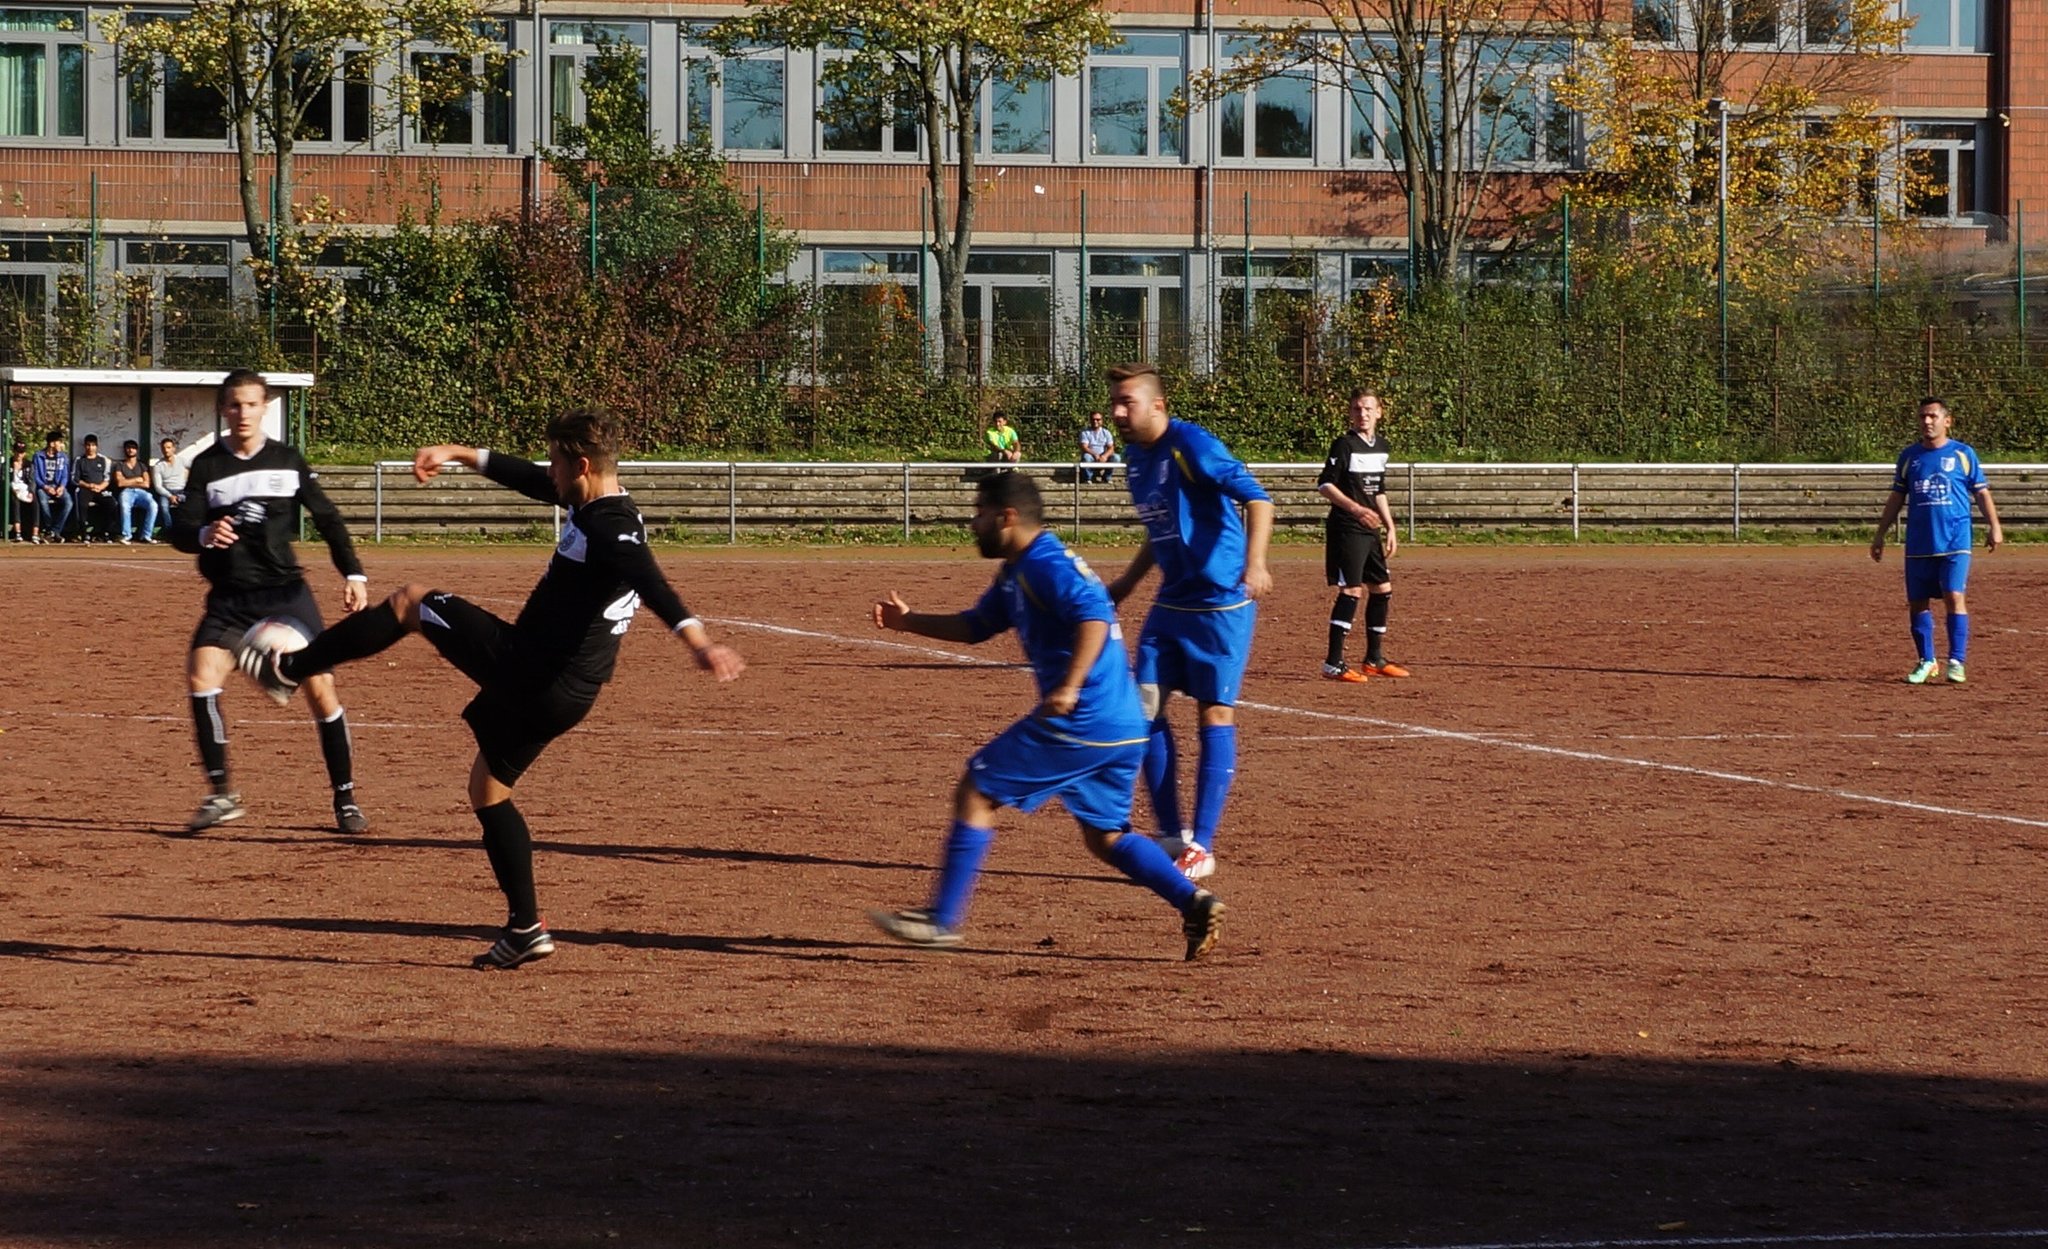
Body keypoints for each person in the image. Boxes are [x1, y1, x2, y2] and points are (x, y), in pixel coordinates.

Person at [238, 407, 746, 970]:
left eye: (555, 462)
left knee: (411, 601)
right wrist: (457, 452)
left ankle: (290, 667)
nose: (546, 471)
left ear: (580, 465)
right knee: (488, 790)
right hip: (568, 692)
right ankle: (526, 928)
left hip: (533, 671)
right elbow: (527, 479)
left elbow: (652, 581)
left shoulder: (609, 526)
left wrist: (698, 643)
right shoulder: (592, 499)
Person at [868, 472, 1224, 960]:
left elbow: (1095, 617)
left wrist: (1070, 685)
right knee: (1106, 837)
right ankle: (1194, 901)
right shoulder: (1020, 568)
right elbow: (977, 626)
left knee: (976, 789)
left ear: (1006, 517)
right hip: (1123, 725)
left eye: (979, 514)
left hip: (1084, 716)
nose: (973, 523)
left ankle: (941, 920)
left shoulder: (1045, 565)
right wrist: (910, 622)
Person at [170, 369, 373, 835]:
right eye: (234, 405)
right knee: (201, 676)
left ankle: (345, 798)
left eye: (251, 404)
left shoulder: (287, 460)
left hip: (286, 595)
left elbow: (328, 519)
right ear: (223, 410)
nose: (243, 413)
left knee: (321, 690)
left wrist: (354, 573)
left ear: (265, 408)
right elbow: (179, 529)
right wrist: (203, 532)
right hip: (230, 598)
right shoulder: (207, 466)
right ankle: (221, 794)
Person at [1103, 362, 1273, 883]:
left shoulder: (1192, 445)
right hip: (1172, 603)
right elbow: (1158, 531)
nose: (1116, 412)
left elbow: (1259, 499)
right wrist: (1127, 586)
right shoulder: (1135, 456)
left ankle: (1203, 844)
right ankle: (1171, 834)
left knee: (1213, 717)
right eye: (1114, 401)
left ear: (1157, 405)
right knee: (1144, 713)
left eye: (1125, 402)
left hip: (1221, 606)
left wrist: (1257, 562)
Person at [1870, 395, 2003, 684]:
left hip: (1955, 540)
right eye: (1923, 417)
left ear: (1947, 421)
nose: (1927, 421)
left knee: (1954, 595)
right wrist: (1880, 534)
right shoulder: (1910, 457)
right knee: (1918, 602)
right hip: (1919, 543)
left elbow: (1981, 492)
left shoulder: (1963, 454)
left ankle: (1956, 661)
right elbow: (1896, 497)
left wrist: (1995, 526)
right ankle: (1927, 660)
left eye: (1933, 416)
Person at [1317, 389, 1409, 682]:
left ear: (1379, 412)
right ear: (1350, 413)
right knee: (1351, 590)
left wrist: (1390, 526)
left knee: (1382, 588)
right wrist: (1356, 510)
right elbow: (1325, 486)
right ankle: (1333, 663)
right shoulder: (1344, 445)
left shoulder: (1381, 446)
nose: (1362, 414)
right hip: (1347, 527)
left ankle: (1374, 658)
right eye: (1357, 409)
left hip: (1370, 530)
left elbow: (1378, 490)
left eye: (1368, 409)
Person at [113, 439, 158, 545]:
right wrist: (137, 479)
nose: (130, 450)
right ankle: (127, 535)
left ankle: (146, 535)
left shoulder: (142, 465)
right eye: (128, 448)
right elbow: (120, 483)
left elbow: (147, 484)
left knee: (154, 505)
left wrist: (128, 481)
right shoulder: (120, 465)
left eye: (133, 448)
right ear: (125, 450)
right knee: (124, 506)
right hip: (126, 492)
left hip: (141, 492)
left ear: (136, 450)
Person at [29, 431, 71, 544]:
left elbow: (65, 475)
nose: (61, 445)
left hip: (58, 487)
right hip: (44, 487)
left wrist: (61, 487)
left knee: (69, 503)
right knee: (42, 501)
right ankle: (49, 529)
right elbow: (36, 476)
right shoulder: (38, 456)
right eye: (59, 442)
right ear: (52, 444)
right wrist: (46, 487)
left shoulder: (63, 457)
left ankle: (55, 530)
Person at [72, 434, 113, 542]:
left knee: (112, 504)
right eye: (88, 445)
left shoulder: (104, 460)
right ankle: (84, 533)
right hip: (85, 488)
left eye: (93, 445)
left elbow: (107, 478)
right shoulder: (79, 460)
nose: (90, 448)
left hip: (100, 489)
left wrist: (100, 487)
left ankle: (105, 532)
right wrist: (88, 485)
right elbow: (74, 479)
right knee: (82, 504)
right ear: (84, 446)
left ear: (97, 446)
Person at [151, 437, 189, 540]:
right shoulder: (158, 466)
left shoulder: (182, 460)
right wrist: (170, 496)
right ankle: (170, 532)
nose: (166, 450)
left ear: (173, 449)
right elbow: (158, 486)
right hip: (166, 491)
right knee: (163, 507)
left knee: (189, 505)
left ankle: (186, 532)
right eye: (164, 448)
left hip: (182, 490)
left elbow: (195, 467)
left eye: (168, 447)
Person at [1078, 411, 1118, 483]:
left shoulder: (1106, 433)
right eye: (1093, 419)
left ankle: (1107, 477)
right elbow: (1084, 447)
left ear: (1102, 421)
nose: (1095, 421)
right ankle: (1088, 478)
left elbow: (1111, 448)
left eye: (1098, 419)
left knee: (1116, 457)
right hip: (1091, 456)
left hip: (1103, 457)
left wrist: (1105, 456)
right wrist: (1095, 454)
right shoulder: (1085, 432)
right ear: (1090, 420)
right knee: (1086, 457)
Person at [7, 439, 29, 542]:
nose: (19, 454)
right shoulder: (8, 464)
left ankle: (34, 532)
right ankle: (17, 532)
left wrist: (31, 492)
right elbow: (5, 480)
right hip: (11, 491)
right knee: (14, 500)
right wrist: (12, 488)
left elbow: (32, 480)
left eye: (21, 452)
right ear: (13, 451)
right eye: (17, 451)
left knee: (36, 501)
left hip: (25, 490)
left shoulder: (28, 464)